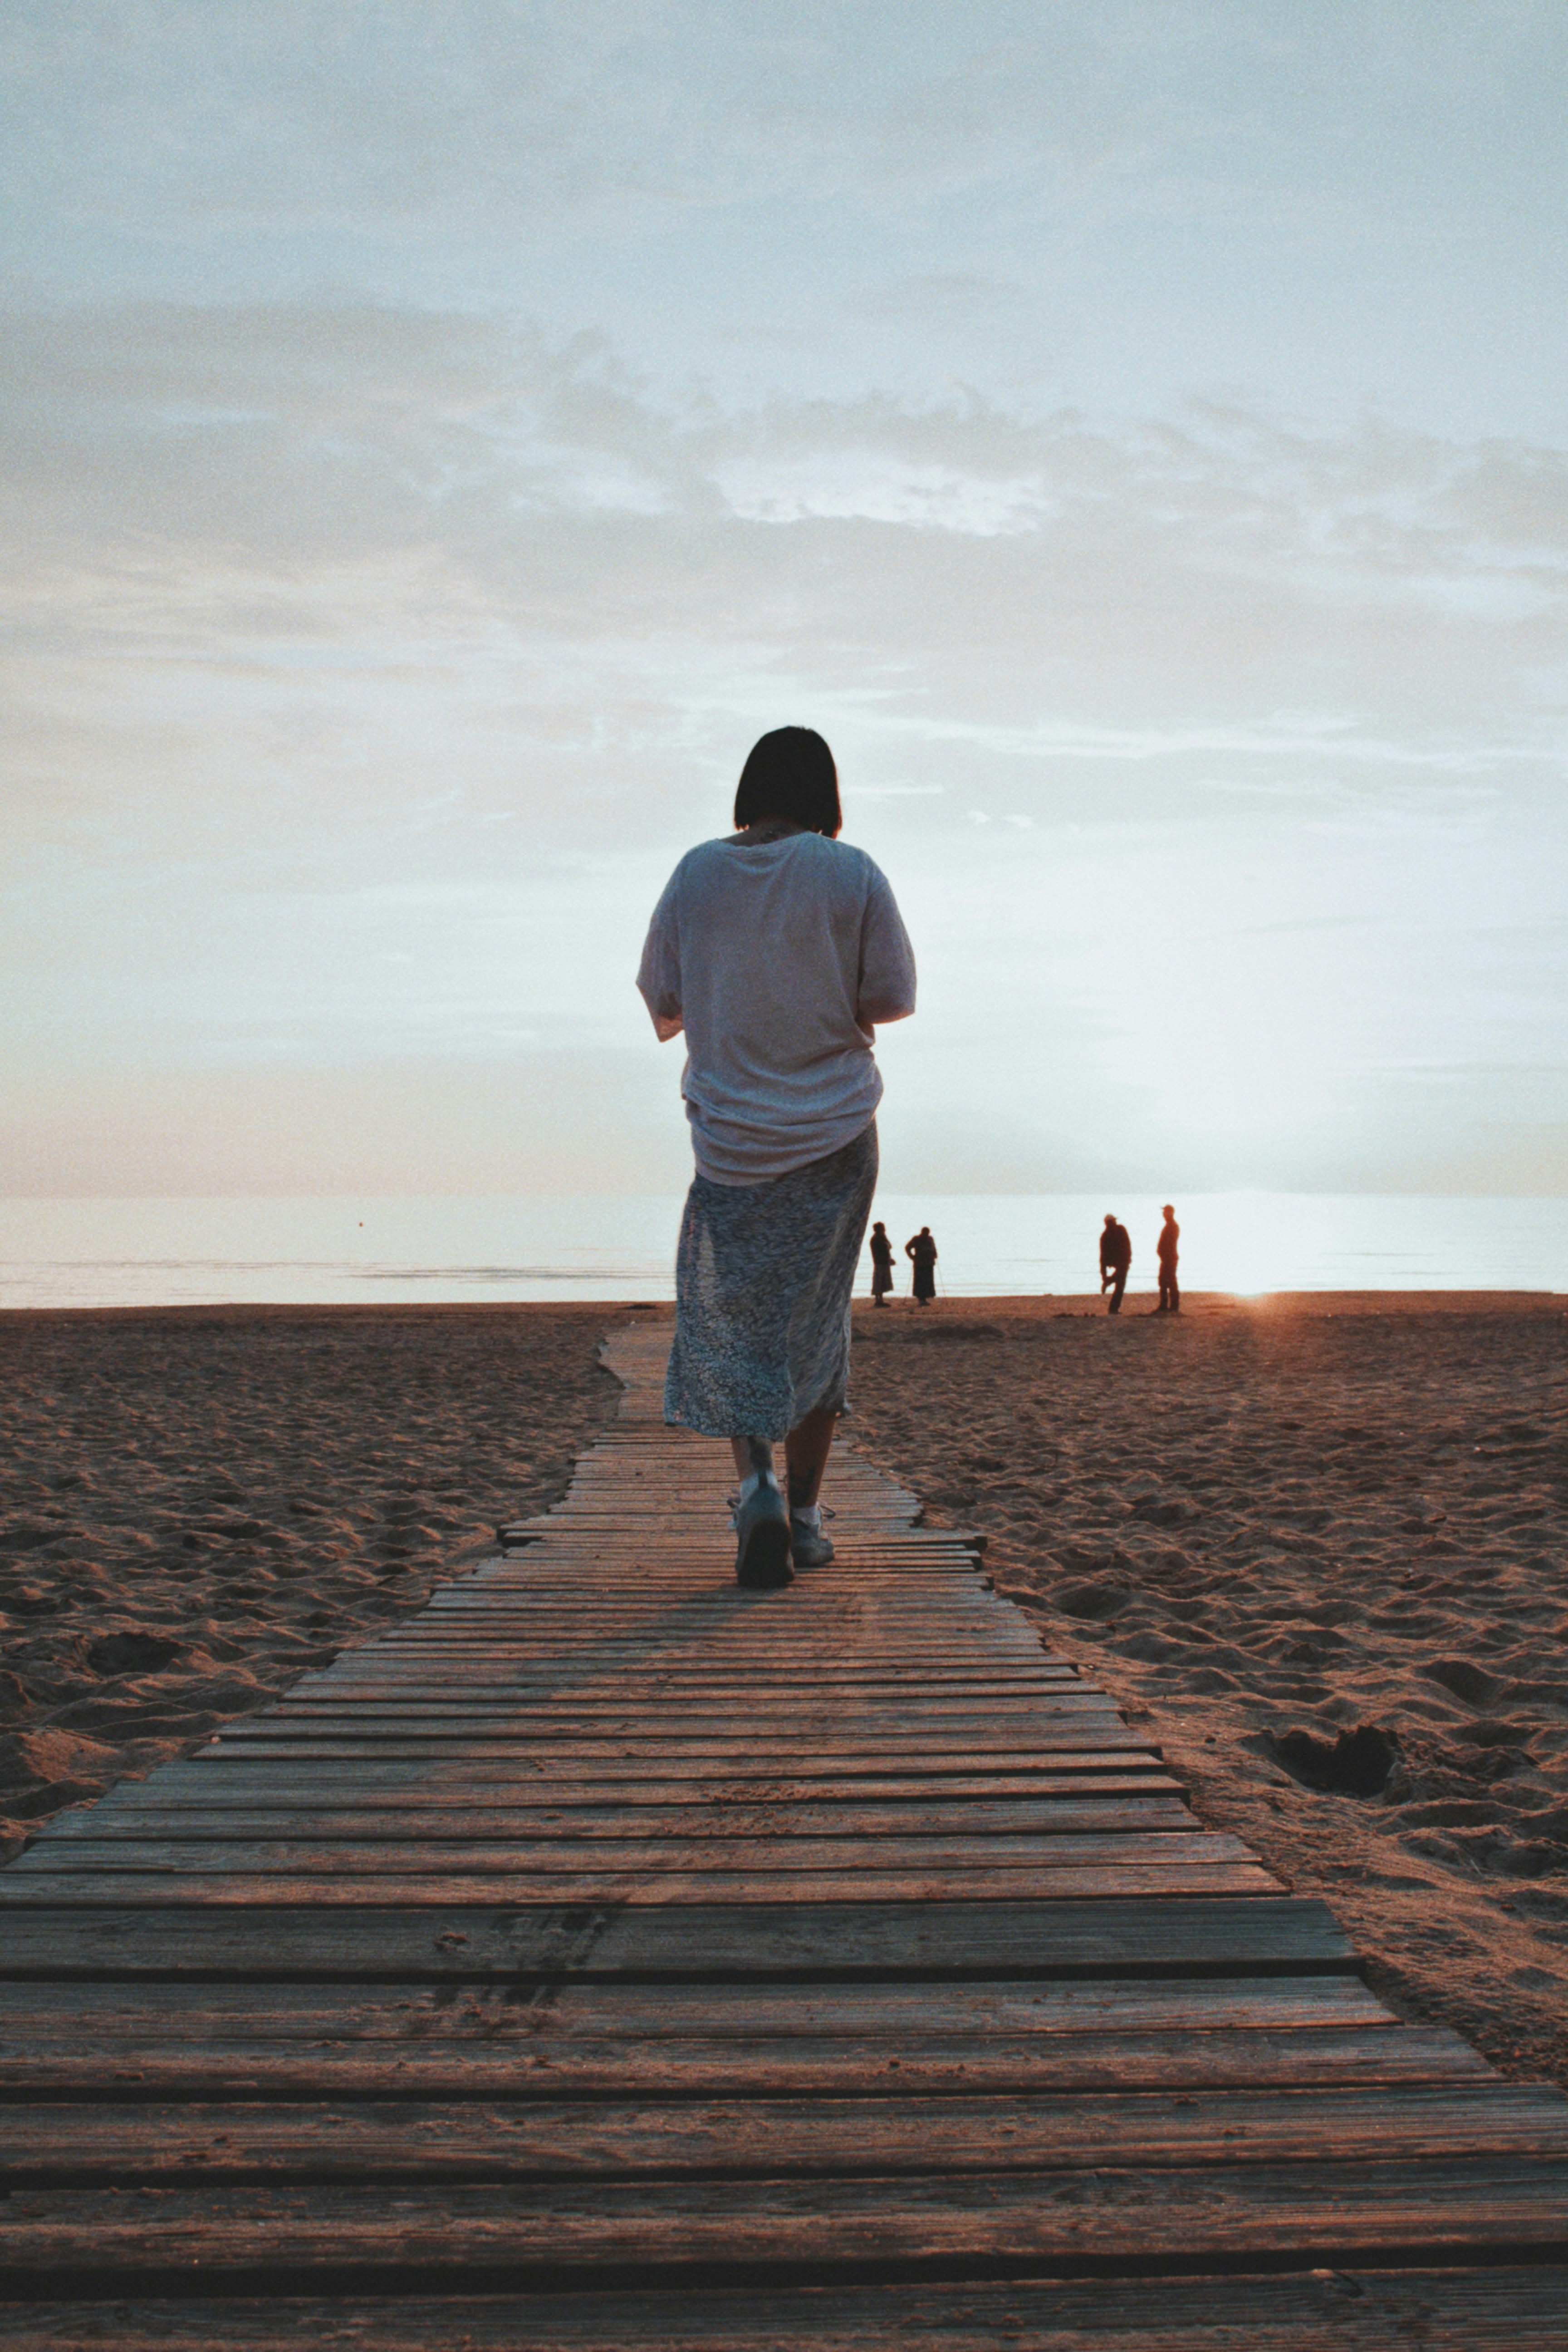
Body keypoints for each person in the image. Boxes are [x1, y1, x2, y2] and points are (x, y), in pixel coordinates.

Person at [637, 727, 917, 1589]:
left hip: (729, 1144)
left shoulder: (696, 872)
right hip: (833, 1134)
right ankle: (802, 1516)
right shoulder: (853, 871)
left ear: (750, 787)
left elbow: (662, 993)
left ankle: (755, 1483)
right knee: (815, 1321)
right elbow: (893, 996)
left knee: (735, 1319)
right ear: (826, 793)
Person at [1098, 1213, 1131, 1313]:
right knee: (1121, 1284)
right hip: (1121, 1260)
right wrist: (1129, 1257)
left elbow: (1103, 1257)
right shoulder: (1120, 1230)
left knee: (1120, 1280)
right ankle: (1113, 1309)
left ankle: (1109, 1282)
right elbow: (1127, 1244)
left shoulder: (1105, 1236)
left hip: (1117, 1261)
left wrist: (1104, 1274)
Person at [1156, 1204, 1180, 1313]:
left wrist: (1164, 1254)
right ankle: (1165, 1305)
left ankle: (1173, 1306)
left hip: (1170, 1258)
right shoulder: (1169, 1225)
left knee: (1170, 1281)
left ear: (1171, 1213)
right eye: (1164, 1212)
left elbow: (1170, 1243)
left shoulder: (1173, 1226)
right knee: (1164, 1281)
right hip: (1167, 1258)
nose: (1163, 1214)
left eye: (1166, 1212)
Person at [905, 1225, 938, 1304]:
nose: (926, 1235)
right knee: (920, 1282)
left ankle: (925, 1299)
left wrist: (935, 1254)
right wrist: (912, 1257)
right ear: (922, 1232)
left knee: (928, 1281)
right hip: (920, 1264)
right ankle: (921, 1299)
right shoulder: (916, 1239)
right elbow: (908, 1247)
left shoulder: (930, 1239)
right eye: (925, 1233)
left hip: (929, 1264)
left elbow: (934, 1248)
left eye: (927, 1233)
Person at [868, 1220, 895, 1306]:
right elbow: (880, 1251)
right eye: (883, 1229)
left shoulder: (882, 1238)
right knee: (878, 1281)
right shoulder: (875, 1239)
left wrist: (889, 1259)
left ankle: (881, 1300)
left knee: (884, 1281)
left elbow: (890, 1246)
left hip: (884, 1262)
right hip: (879, 1262)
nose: (884, 1231)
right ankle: (878, 1300)